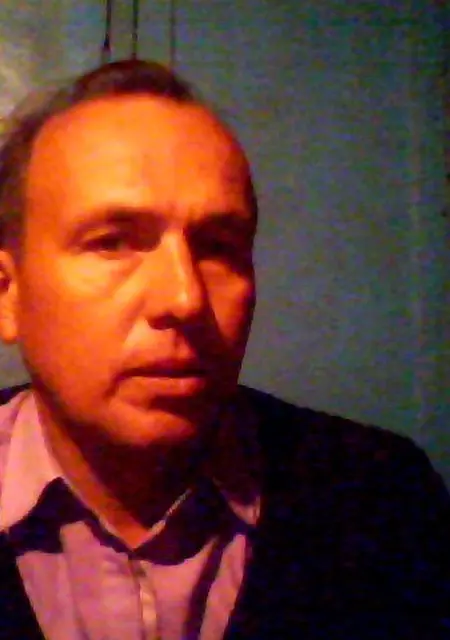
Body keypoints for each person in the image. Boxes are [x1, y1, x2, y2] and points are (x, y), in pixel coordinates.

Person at [0, 59, 448, 640]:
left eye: (218, 247)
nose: (185, 298)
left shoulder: (381, 497)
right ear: (7, 294)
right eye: (113, 242)